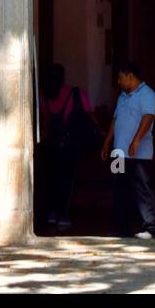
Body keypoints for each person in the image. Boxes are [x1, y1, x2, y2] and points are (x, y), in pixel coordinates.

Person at [101, 61, 155, 239]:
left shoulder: (148, 94)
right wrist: (107, 142)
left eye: (120, 78)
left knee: (141, 188)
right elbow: (115, 119)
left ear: (130, 76)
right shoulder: (122, 97)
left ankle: (150, 227)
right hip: (118, 153)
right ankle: (122, 228)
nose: (118, 82)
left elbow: (148, 117)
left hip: (138, 154)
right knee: (119, 188)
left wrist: (136, 141)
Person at [39, 63, 98, 229]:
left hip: (52, 145)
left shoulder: (44, 95)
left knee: (52, 180)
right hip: (72, 146)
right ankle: (64, 214)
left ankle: (52, 213)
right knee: (68, 181)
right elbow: (90, 116)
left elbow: (45, 122)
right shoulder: (75, 93)